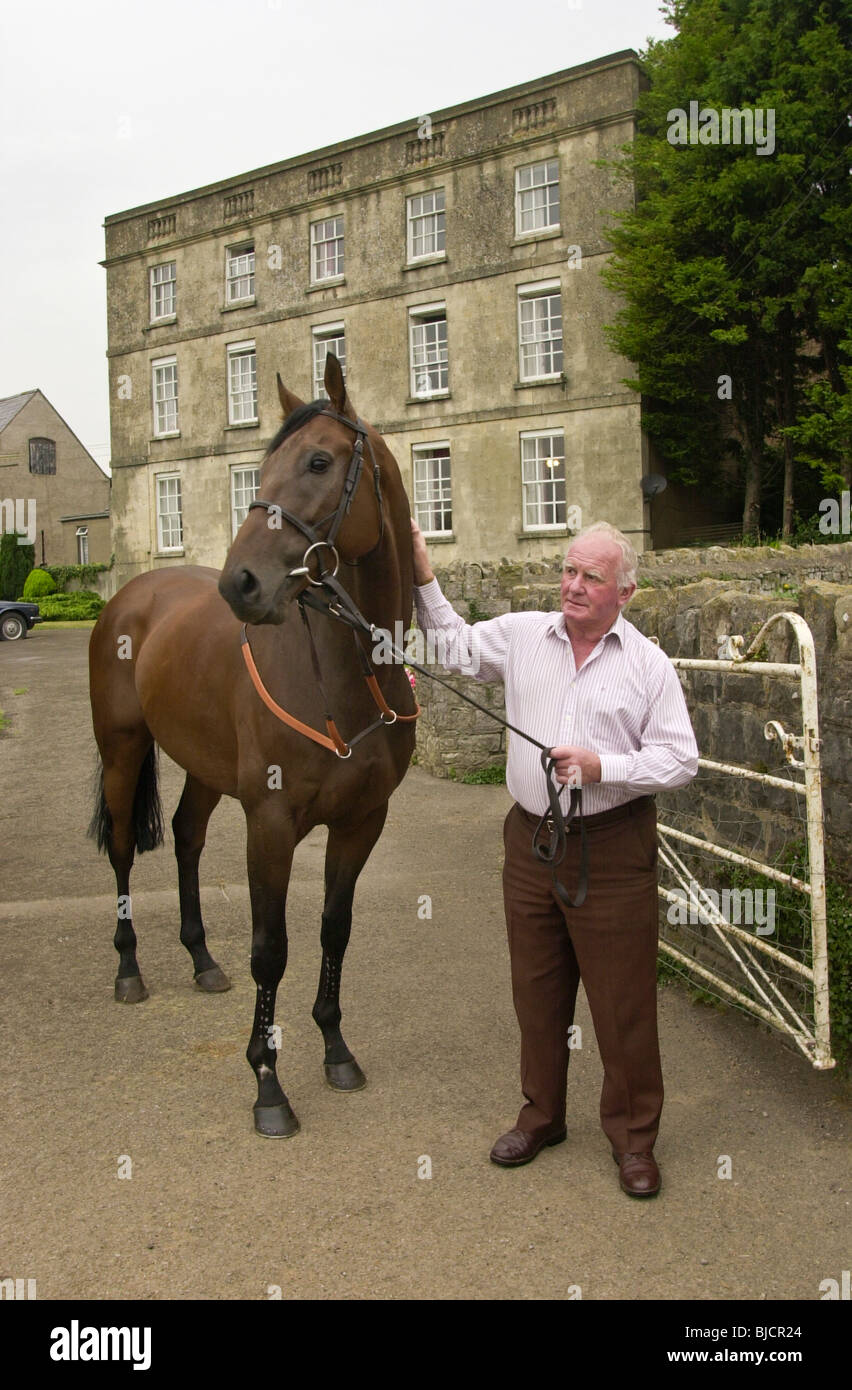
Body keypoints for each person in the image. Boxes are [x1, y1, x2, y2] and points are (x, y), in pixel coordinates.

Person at [410, 518, 699, 1197]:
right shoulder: (521, 635)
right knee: (537, 991)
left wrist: (603, 765)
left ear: (623, 591)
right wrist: (424, 573)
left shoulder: (647, 664)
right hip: (530, 841)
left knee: (622, 1004)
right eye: (569, 571)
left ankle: (633, 1141)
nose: (572, 585)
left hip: (614, 846)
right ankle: (541, 1116)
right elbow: (453, 647)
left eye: (591, 576)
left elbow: (680, 758)